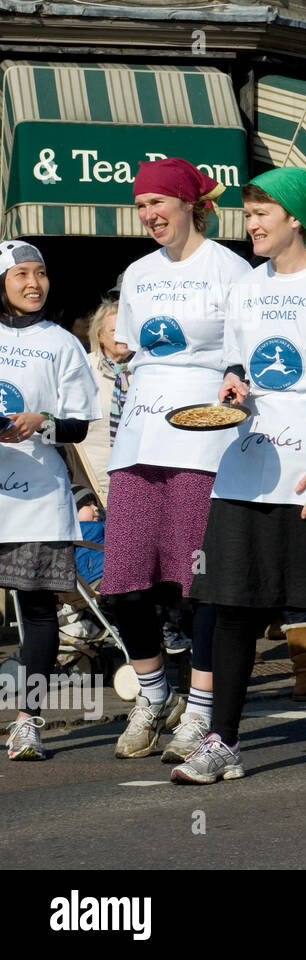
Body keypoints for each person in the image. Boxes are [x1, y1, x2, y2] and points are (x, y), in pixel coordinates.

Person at [171, 167, 306, 785]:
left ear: (296, 217)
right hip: (247, 465)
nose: (252, 222)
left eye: (263, 210)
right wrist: (233, 383)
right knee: (232, 603)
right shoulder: (246, 285)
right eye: (249, 210)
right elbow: (239, 361)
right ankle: (224, 742)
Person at [103, 158, 249, 763]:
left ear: (192, 204)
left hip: (202, 440)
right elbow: (130, 354)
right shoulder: (137, 273)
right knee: (124, 581)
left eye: (159, 202)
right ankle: (153, 690)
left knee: (202, 583)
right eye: (141, 206)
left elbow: (242, 356)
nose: (150, 215)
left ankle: (201, 708)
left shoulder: (232, 270)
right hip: (139, 436)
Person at [0, 241, 101, 760]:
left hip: (38, 494)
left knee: (37, 611)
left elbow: (80, 425)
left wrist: (42, 421)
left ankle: (27, 721)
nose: (33, 283)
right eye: (21, 274)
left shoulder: (62, 343)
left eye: (39, 274)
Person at [82, 299, 132, 501]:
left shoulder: (146, 371)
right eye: (115, 331)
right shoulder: (83, 369)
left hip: (135, 481)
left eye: (127, 329)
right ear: (99, 335)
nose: (123, 336)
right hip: (93, 483)